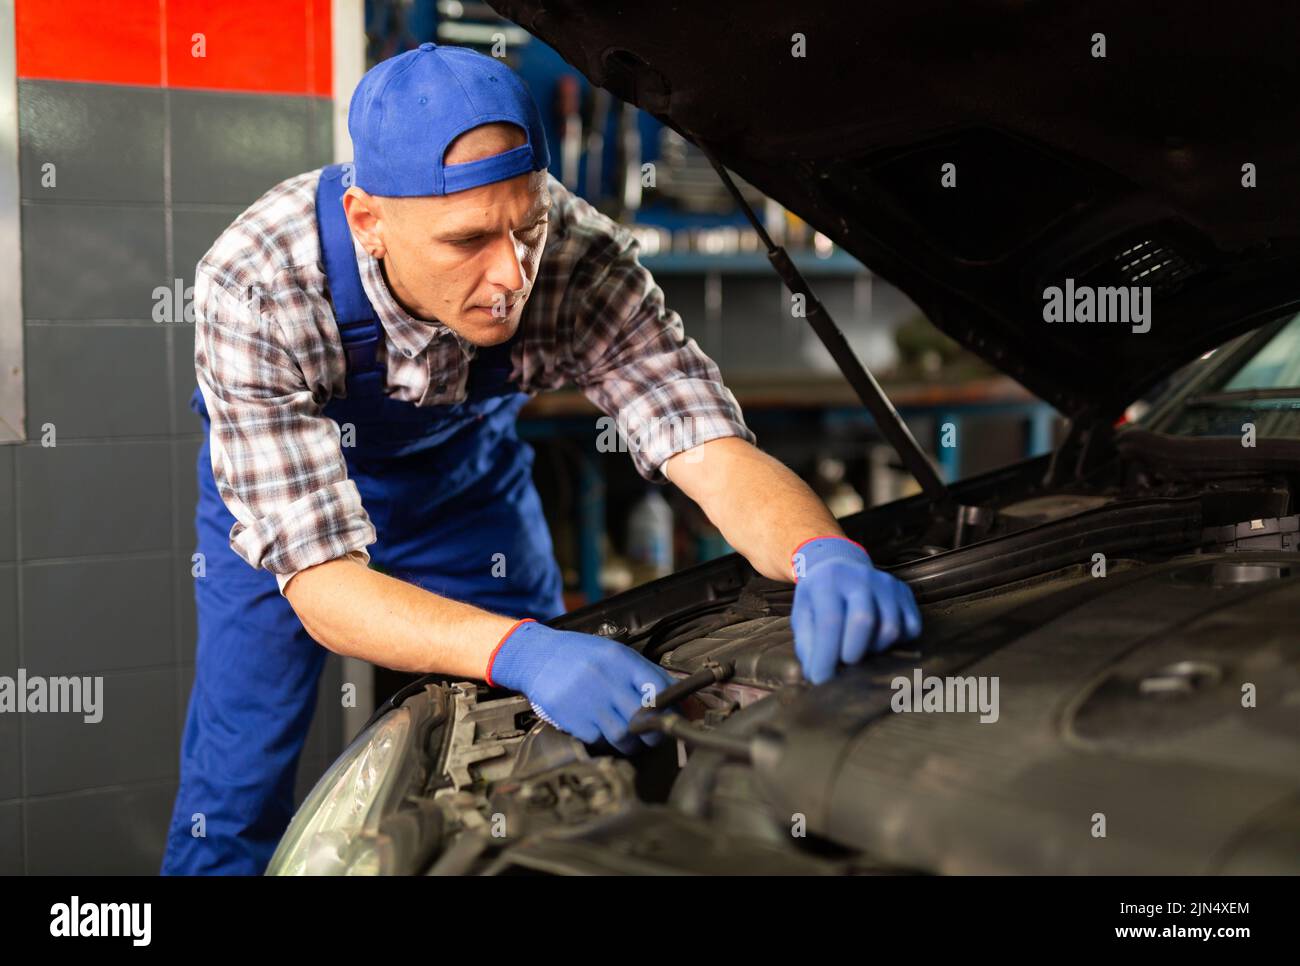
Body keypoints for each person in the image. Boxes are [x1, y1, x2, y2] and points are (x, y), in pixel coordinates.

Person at [161, 43, 920, 874]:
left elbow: (705, 445)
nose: (510, 276)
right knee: (236, 788)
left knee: (539, 750)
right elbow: (325, 590)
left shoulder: (581, 262)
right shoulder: (258, 287)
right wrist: (519, 649)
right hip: (290, 523)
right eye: (467, 241)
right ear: (366, 220)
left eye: (528, 225)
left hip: (465, 496)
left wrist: (822, 553)